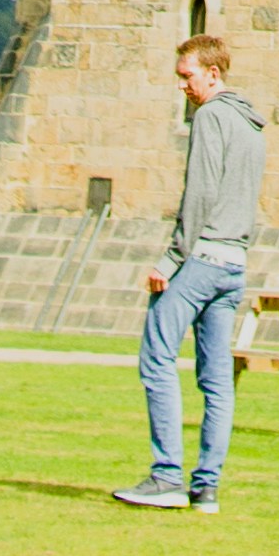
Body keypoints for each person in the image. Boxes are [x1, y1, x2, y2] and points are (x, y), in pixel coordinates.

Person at [114, 34, 266, 512]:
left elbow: (199, 195)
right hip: (235, 264)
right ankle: (207, 488)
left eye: (187, 76)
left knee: (156, 357)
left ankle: (166, 478)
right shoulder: (252, 125)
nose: (182, 86)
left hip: (202, 259)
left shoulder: (212, 117)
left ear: (212, 73)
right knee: (216, 379)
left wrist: (170, 260)